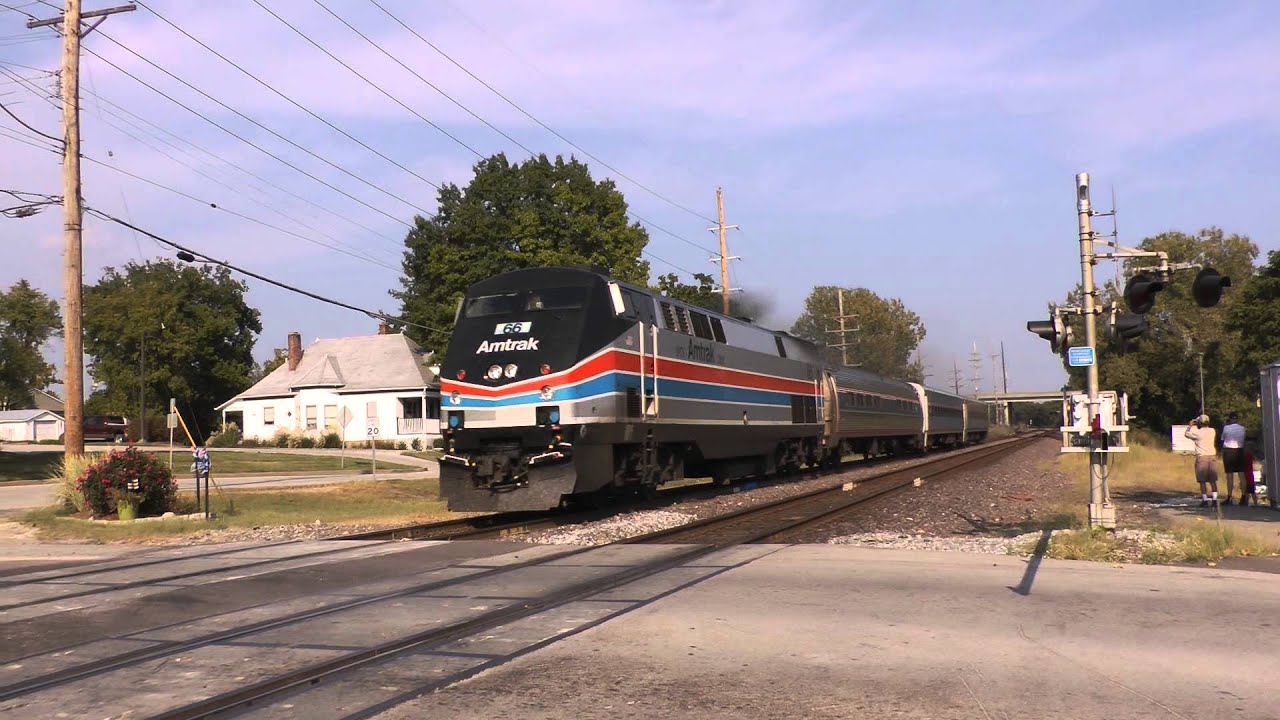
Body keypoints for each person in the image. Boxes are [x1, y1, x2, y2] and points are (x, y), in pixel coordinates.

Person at [1184, 415, 1219, 507]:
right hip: (1212, 456)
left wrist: (1190, 425)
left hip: (1202, 457)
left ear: (1199, 422)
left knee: (1202, 480)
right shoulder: (1212, 431)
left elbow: (1186, 434)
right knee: (1213, 480)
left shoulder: (1197, 433)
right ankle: (1215, 499)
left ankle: (1204, 500)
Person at [1220, 412, 1247, 504]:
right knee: (1242, 475)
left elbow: (1223, 438)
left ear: (1230, 419)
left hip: (1229, 451)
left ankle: (1229, 497)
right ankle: (1243, 497)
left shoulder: (1226, 428)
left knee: (1230, 475)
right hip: (1239, 451)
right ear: (1237, 419)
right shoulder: (1242, 428)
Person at [1241, 442, 1260, 507]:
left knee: (1249, 490)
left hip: (1248, 475)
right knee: (1250, 490)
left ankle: (1250, 503)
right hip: (1250, 474)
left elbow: (1244, 464)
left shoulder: (1247, 455)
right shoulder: (1251, 455)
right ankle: (1251, 503)